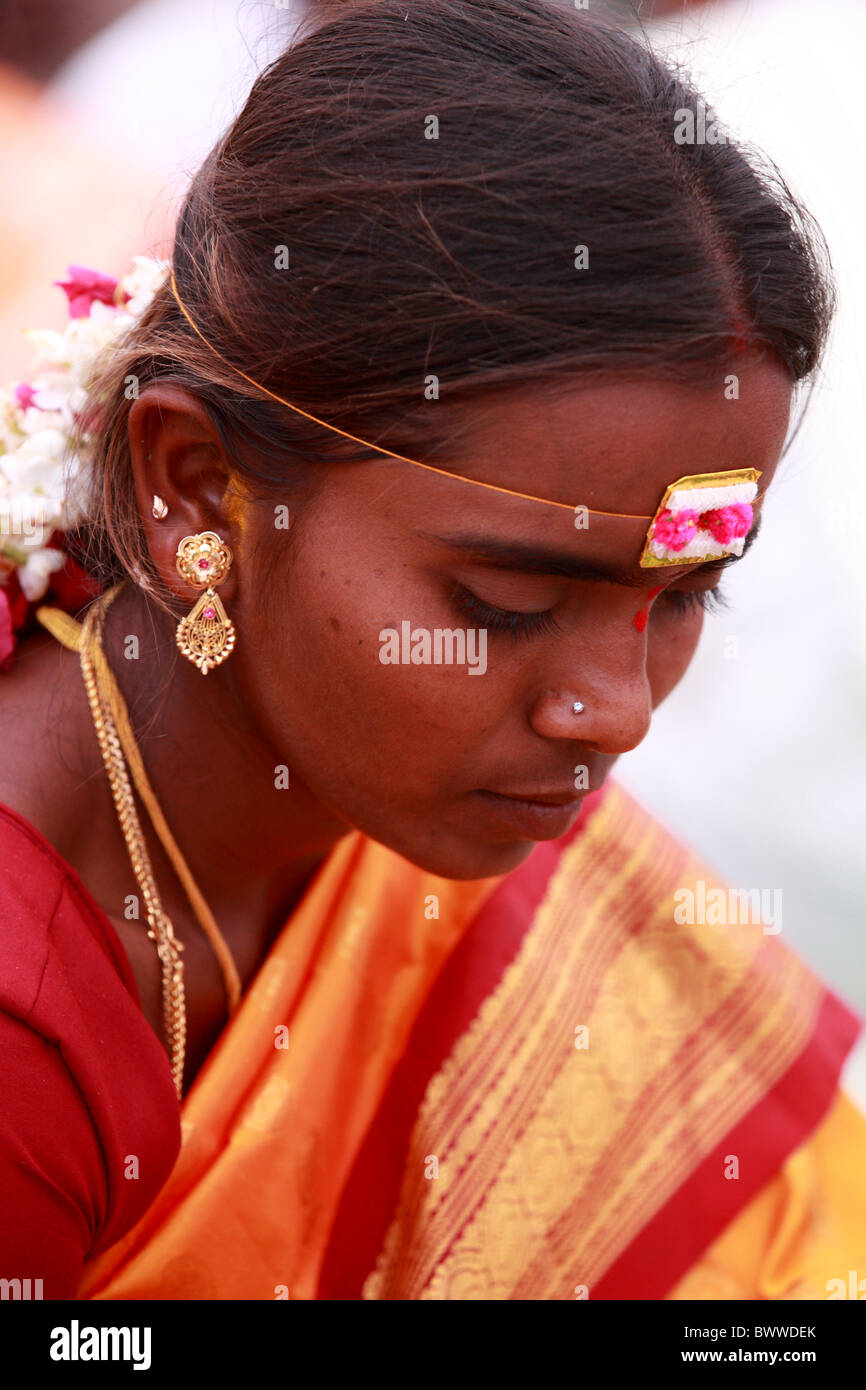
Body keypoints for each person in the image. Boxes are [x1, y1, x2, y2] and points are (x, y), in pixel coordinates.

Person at [0, 0, 863, 1302]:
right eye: (507, 601)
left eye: (685, 596)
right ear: (192, 488)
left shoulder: (393, 786)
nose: (614, 710)